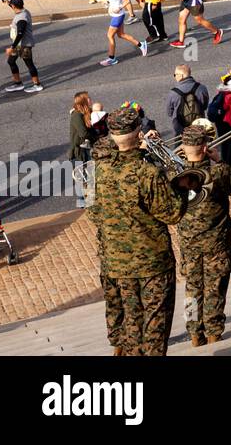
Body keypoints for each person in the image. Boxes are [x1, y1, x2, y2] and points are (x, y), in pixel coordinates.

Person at [87, 105, 187, 355]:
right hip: (152, 264)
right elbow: (172, 213)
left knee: (132, 324)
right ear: (137, 133)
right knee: (154, 329)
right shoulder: (147, 173)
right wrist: (182, 187)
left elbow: (92, 212)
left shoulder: (96, 170)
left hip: (117, 264)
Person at [176, 120, 231, 347]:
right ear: (204, 148)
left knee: (192, 289)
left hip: (189, 244)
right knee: (215, 289)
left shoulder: (174, 173)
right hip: (216, 243)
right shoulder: (217, 173)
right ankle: (213, 333)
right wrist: (218, 159)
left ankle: (193, 333)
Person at [100, 0, 146, 66]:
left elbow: (127, 0)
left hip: (118, 16)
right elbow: (110, 0)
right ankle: (141, 44)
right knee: (121, 35)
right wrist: (106, 3)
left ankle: (112, 58)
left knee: (110, 35)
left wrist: (120, 7)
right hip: (114, 15)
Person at [3, 0, 42, 93]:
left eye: (11, 5)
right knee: (11, 61)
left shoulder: (22, 18)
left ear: (14, 6)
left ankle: (37, 85)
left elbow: (20, 33)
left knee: (29, 64)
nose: (11, 6)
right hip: (18, 45)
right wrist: (8, 3)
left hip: (24, 45)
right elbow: (15, 7)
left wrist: (12, 47)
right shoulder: (24, 11)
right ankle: (18, 83)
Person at [167, 65, 210, 133]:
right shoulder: (202, 88)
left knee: (181, 142)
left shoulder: (173, 92)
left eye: (175, 74)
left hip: (180, 128)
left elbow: (169, 112)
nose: (174, 76)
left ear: (181, 76)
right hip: (199, 125)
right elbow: (204, 106)